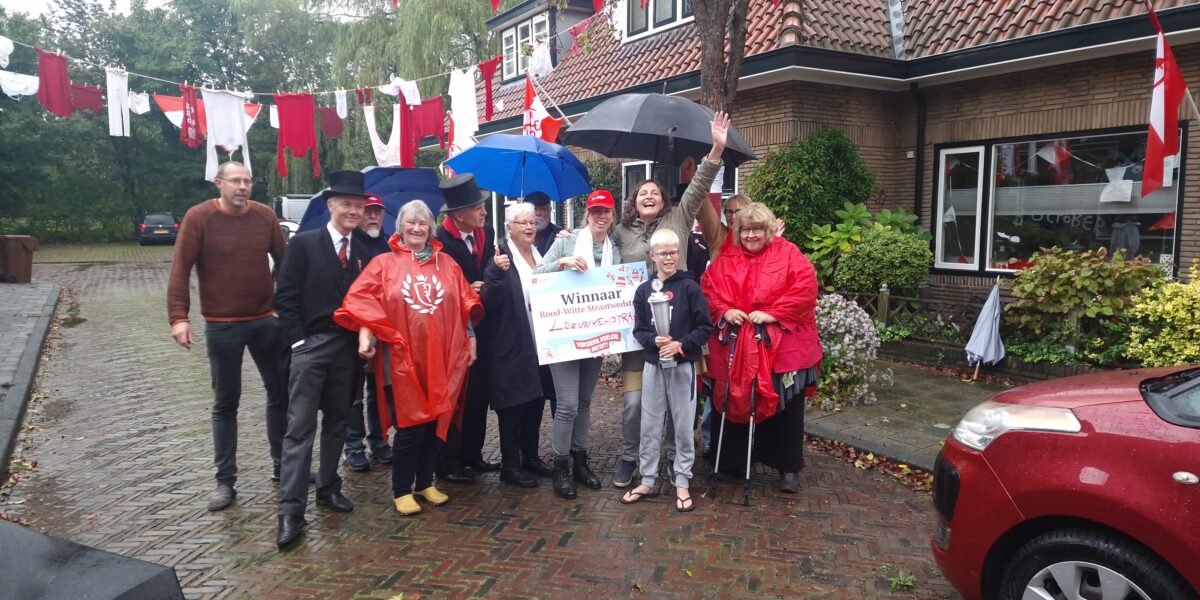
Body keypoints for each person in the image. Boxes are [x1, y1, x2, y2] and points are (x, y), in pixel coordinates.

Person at [334, 200, 483, 516]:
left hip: (441, 356)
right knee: (411, 424)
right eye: (410, 223)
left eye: (423, 223)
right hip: (400, 359)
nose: (416, 228)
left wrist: (470, 337)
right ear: (400, 227)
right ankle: (402, 488)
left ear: (430, 229)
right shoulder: (383, 264)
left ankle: (424, 481)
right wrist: (368, 335)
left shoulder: (447, 264)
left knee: (435, 420)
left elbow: (463, 302)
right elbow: (361, 301)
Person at [609, 111, 730, 488]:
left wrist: (716, 150)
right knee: (635, 405)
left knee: (681, 406)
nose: (648, 196)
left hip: (679, 332)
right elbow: (597, 261)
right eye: (642, 192)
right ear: (634, 200)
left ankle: (679, 463)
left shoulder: (677, 222)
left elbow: (697, 190)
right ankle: (633, 459)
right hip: (639, 334)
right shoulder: (621, 232)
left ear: (663, 201)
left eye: (654, 192)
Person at [167, 161, 287, 512]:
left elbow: (286, 260)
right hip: (222, 324)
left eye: (248, 181)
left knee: (280, 393)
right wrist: (179, 317)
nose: (243, 187)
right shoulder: (199, 217)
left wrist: (282, 304)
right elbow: (180, 267)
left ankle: (283, 465)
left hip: (266, 321)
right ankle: (225, 481)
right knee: (226, 403)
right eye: (235, 181)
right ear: (219, 184)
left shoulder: (265, 216)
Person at [273, 170, 373, 548]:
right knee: (299, 430)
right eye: (346, 204)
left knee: (337, 423)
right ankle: (291, 511)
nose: (353, 211)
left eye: (358, 206)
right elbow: (285, 296)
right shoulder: (304, 244)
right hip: (311, 348)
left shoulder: (364, 251)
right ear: (331, 206)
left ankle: (329, 487)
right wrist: (298, 343)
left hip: (348, 350)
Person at [701, 202, 822, 494]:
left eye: (757, 229)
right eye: (745, 230)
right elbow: (709, 288)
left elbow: (805, 287)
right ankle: (734, 461)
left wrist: (774, 313)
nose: (751, 236)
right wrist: (725, 310)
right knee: (731, 397)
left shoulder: (788, 252)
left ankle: (787, 467)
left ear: (768, 230)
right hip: (735, 343)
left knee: (787, 408)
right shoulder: (727, 255)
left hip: (781, 346)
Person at [533, 190, 622, 499]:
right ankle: (561, 467)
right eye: (595, 211)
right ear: (587, 214)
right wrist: (561, 262)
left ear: (612, 216)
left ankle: (580, 461)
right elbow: (537, 275)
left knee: (584, 402)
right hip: (564, 336)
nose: (601, 216)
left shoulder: (614, 249)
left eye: (606, 211)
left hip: (594, 336)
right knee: (567, 404)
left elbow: (617, 290)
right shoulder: (567, 241)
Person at [621, 229, 712, 512]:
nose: (669, 257)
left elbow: (705, 327)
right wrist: (654, 341)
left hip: (683, 365)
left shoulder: (690, 288)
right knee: (649, 423)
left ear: (679, 254)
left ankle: (682, 480)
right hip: (653, 365)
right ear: (653, 256)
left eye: (673, 252)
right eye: (663, 253)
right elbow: (640, 329)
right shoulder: (644, 291)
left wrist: (681, 344)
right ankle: (647, 478)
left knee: (683, 425)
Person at [480, 202, 556, 488]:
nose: (528, 227)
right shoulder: (500, 257)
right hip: (511, 344)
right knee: (513, 406)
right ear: (509, 228)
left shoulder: (538, 252)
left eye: (532, 222)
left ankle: (531, 457)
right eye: (522, 223)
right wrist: (497, 273)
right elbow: (489, 301)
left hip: (539, 342)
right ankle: (510, 466)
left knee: (535, 400)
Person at [434, 174, 499, 483]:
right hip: (453, 332)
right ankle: (447, 462)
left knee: (478, 395)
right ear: (458, 214)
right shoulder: (439, 243)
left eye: (483, 206)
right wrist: (463, 289)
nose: (484, 212)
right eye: (478, 207)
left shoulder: (487, 232)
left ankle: (473, 455)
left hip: (483, 329)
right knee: (454, 397)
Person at [343, 194, 394, 471]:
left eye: (378, 212)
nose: (373, 217)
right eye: (369, 211)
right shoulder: (350, 245)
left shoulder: (389, 245)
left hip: (382, 329)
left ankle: (379, 439)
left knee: (379, 390)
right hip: (352, 327)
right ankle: (353, 446)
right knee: (353, 392)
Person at [524, 191, 561, 416]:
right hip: (527, 324)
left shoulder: (561, 236)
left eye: (544, 208)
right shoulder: (512, 241)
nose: (539, 214)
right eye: (535, 209)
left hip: (554, 321)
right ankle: (528, 448)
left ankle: (562, 445)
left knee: (559, 391)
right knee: (532, 391)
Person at [527, 191, 563, 256]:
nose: (538, 213)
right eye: (535, 209)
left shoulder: (558, 234)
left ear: (549, 210)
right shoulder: (517, 235)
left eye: (543, 209)